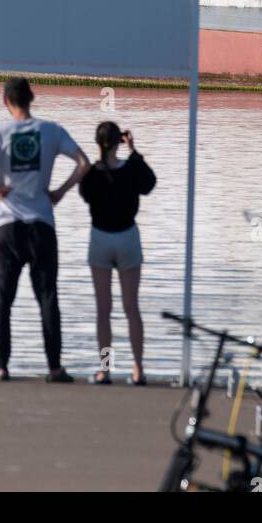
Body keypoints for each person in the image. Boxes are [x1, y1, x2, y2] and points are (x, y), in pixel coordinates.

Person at [0, 77, 90, 382]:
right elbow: (84, 162)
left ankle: (0, 367)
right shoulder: (52, 131)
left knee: (2, 300)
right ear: (32, 98)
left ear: (5, 101)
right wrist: (59, 191)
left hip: (7, 227)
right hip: (42, 225)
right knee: (47, 298)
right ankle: (54, 368)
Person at [79, 121, 156, 385]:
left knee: (103, 310)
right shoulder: (132, 169)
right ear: (120, 141)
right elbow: (150, 184)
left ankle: (105, 370)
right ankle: (138, 368)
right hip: (127, 237)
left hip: (100, 237)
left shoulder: (92, 173)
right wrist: (134, 151)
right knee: (131, 308)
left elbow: (86, 195)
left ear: (98, 143)